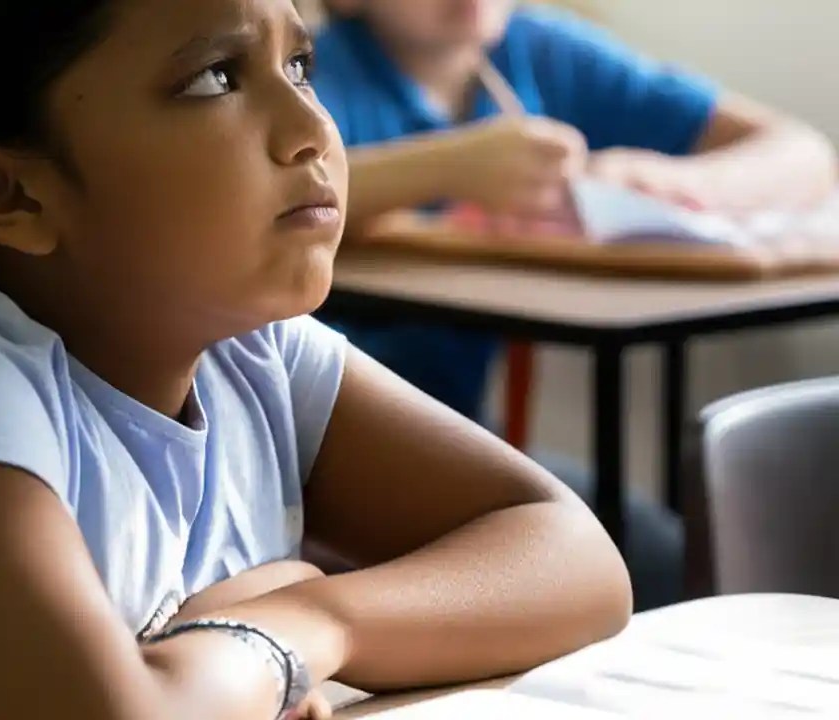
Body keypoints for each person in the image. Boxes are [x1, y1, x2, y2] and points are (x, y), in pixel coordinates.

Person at [0, 0, 631, 717]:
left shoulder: (245, 348)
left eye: (298, 65)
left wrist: (305, 621)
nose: (312, 131)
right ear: (6, 188)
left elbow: (573, 556)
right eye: (215, 78)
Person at [308, 0, 836, 610]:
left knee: (671, 557)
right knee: (626, 557)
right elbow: (256, 191)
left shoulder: (538, 52)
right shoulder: (314, 71)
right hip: (324, 461)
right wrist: (448, 167)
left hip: (460, 432)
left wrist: (668, 182)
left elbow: (801, 151)